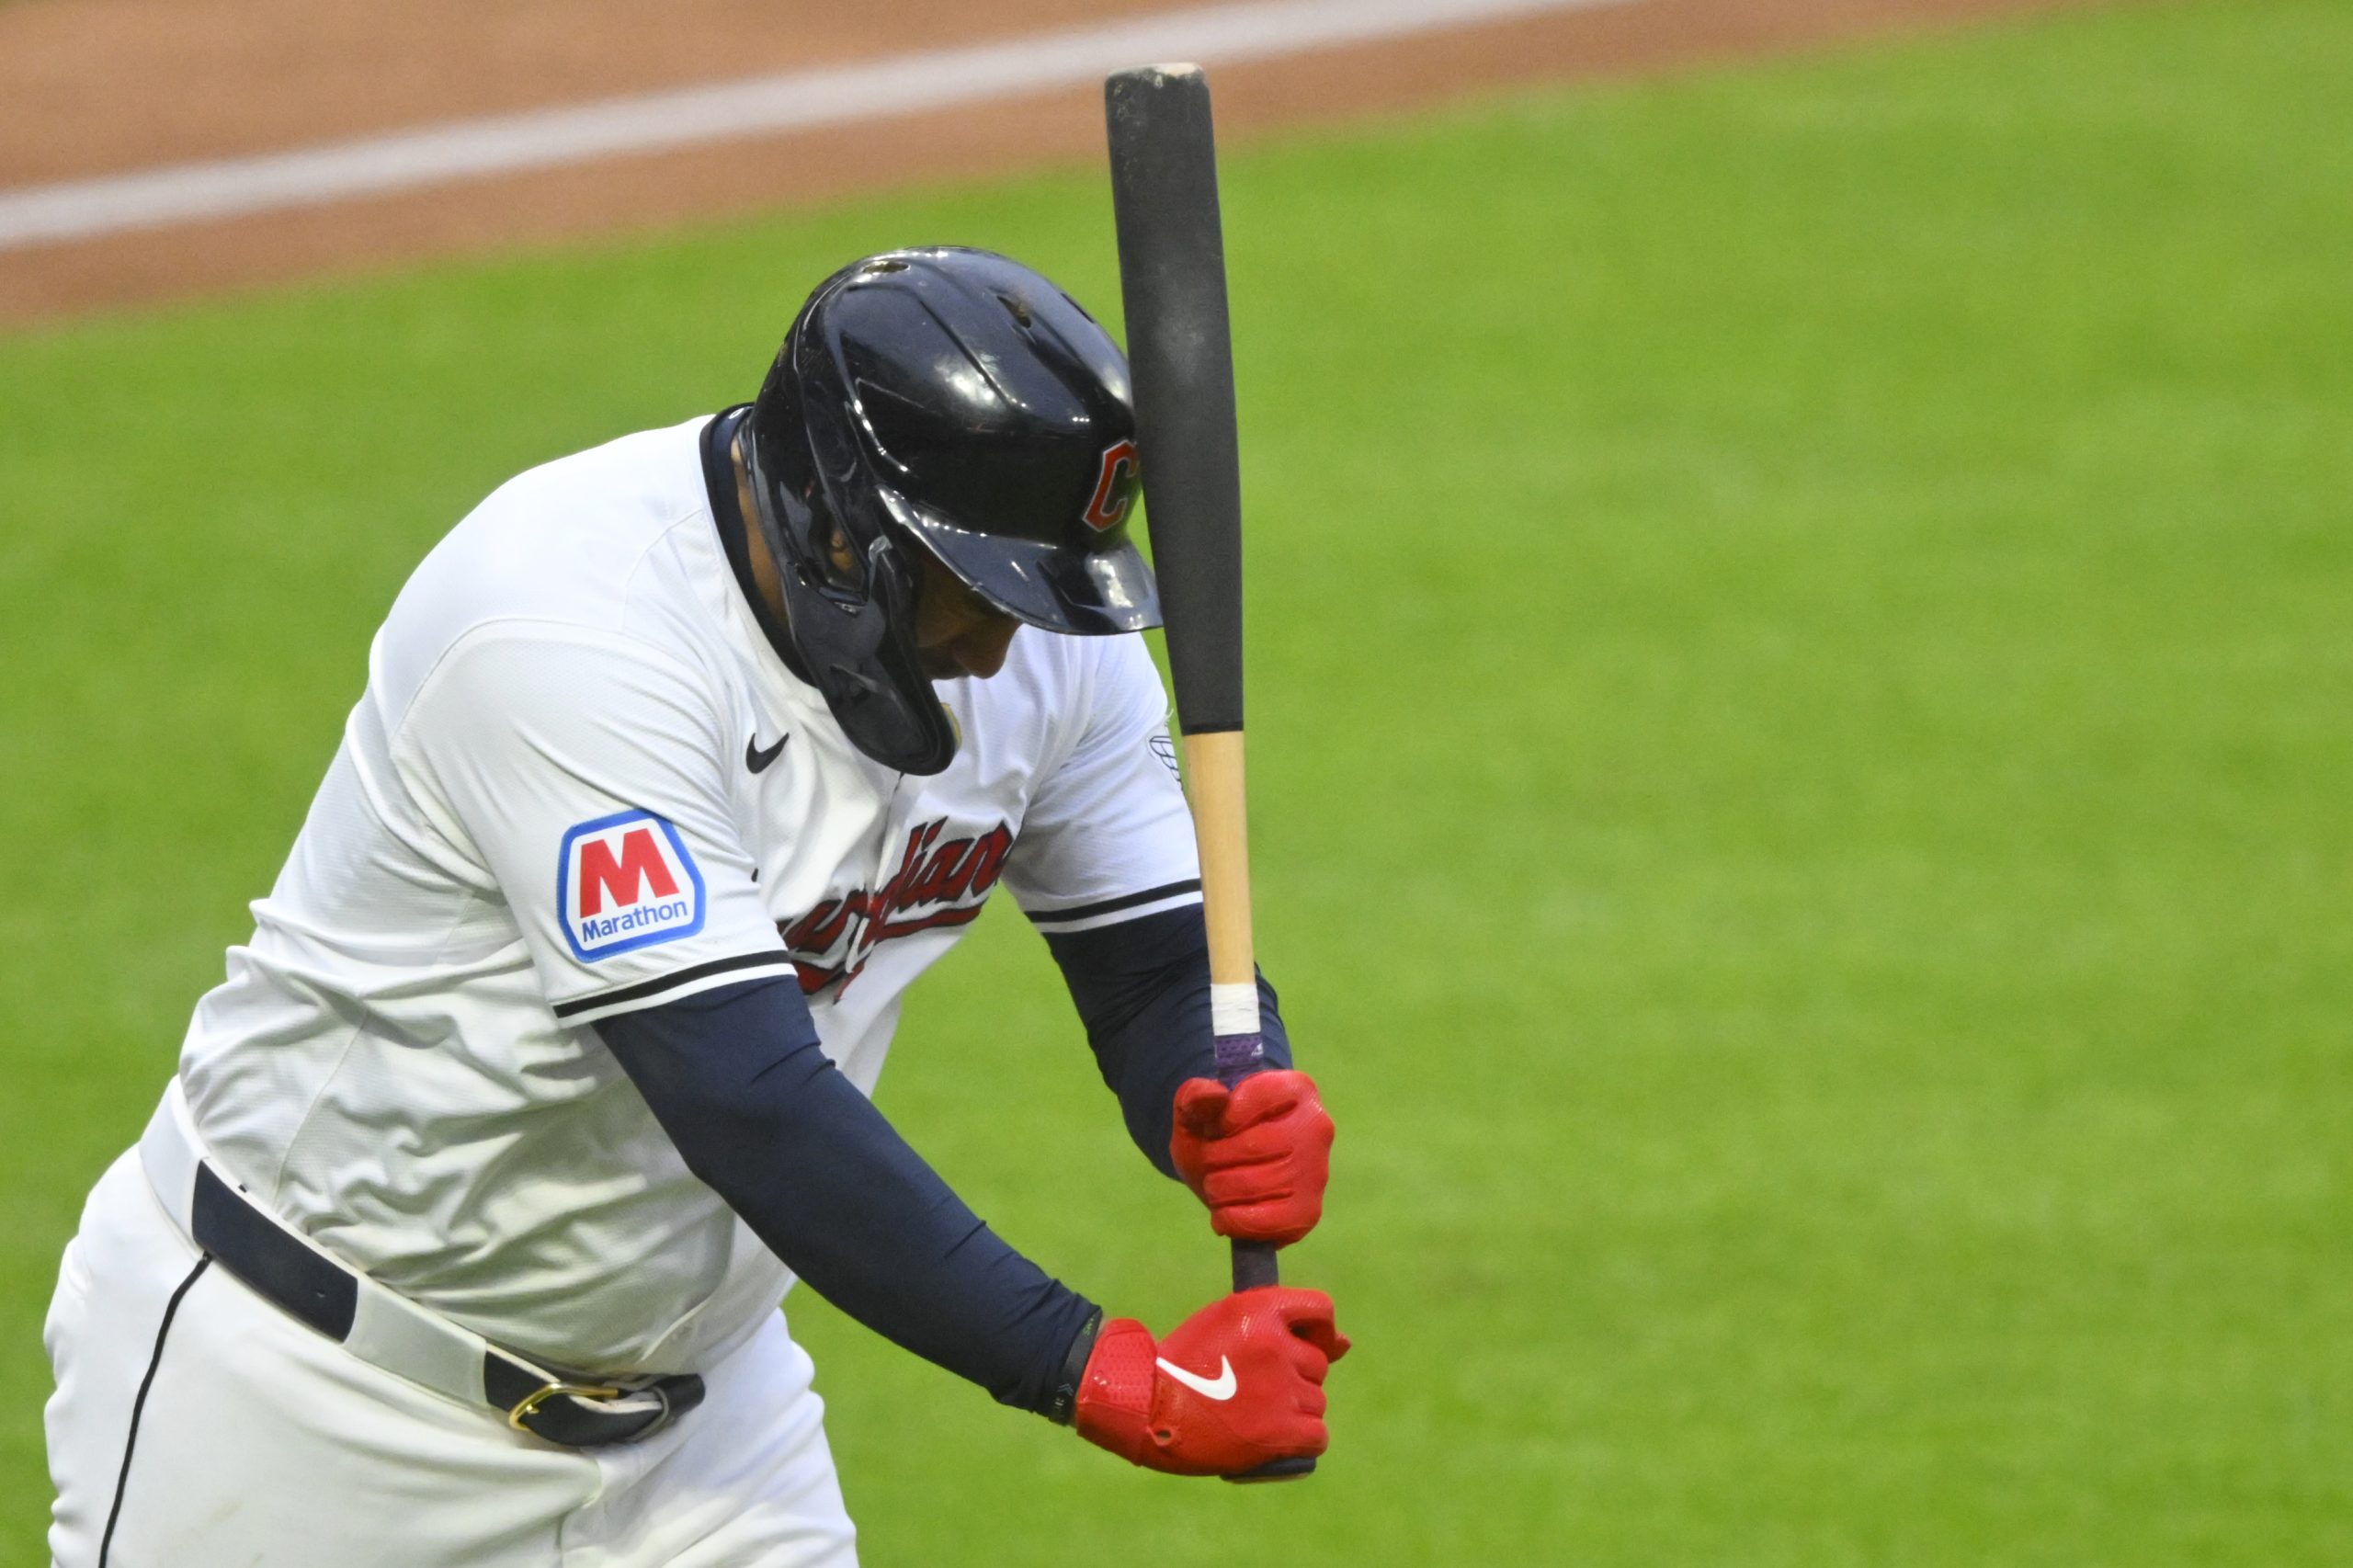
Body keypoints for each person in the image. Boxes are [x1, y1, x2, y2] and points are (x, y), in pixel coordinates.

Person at [42, 246, 1345, 1566]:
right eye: (978, 588)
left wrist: (1217, 1094)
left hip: (701, 1435)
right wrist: (1109, 1372)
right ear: (843, 527)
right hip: (310, 1396)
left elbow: (1159, 974)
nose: (1005, 648)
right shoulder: (568, 627)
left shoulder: (1042, 651)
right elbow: (750, 1101)